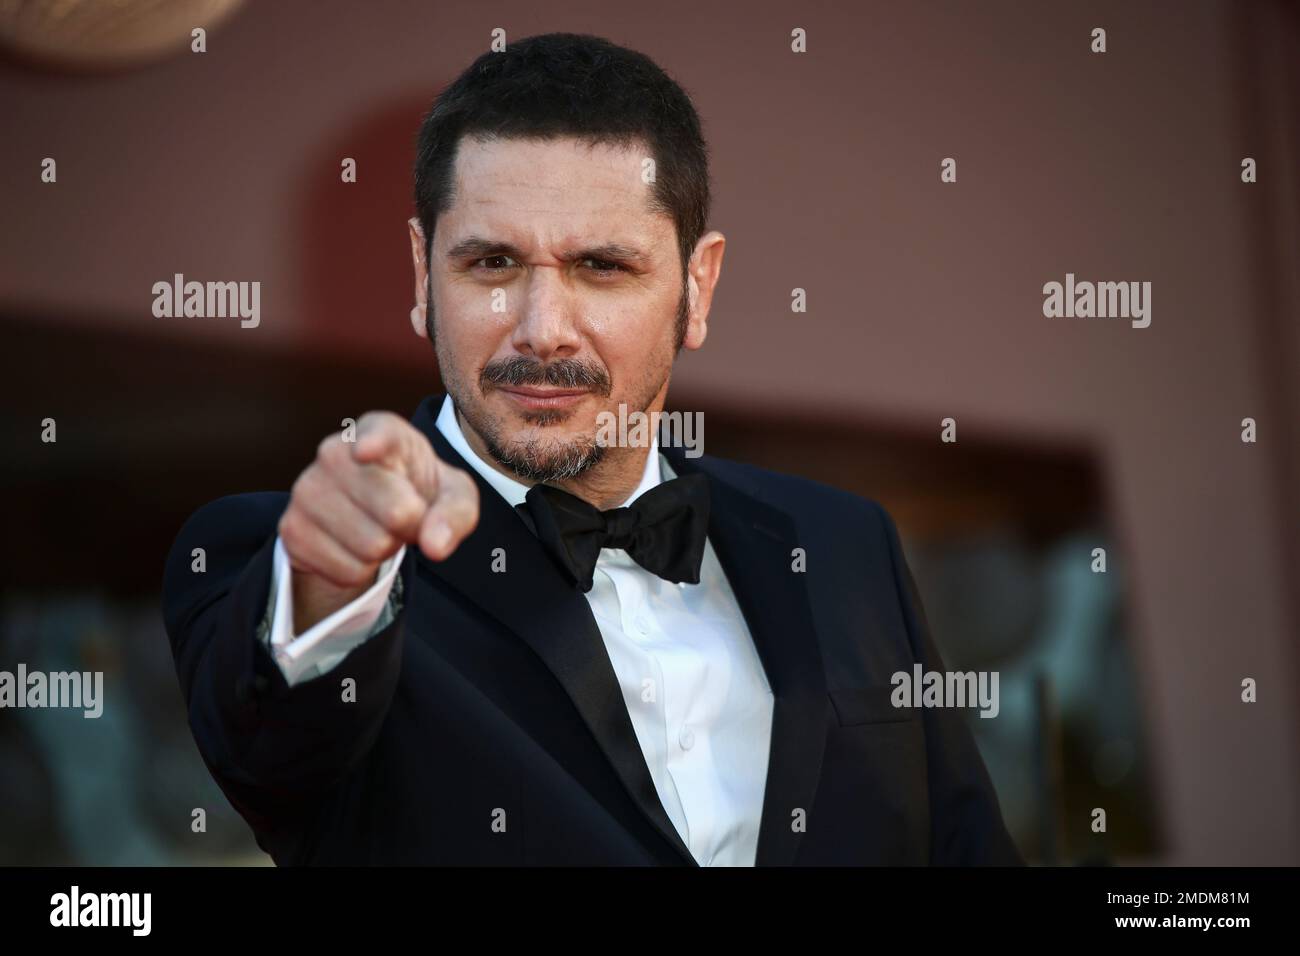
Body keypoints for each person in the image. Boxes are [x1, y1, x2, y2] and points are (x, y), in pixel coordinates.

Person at [162, 32, 1020, 866]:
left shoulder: (842, 545)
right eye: (492, 263)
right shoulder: (293, 564)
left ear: (697, 286)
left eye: (603, 267)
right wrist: (329, 579)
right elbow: (272, 746)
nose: (541, 331)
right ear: (423, 278)